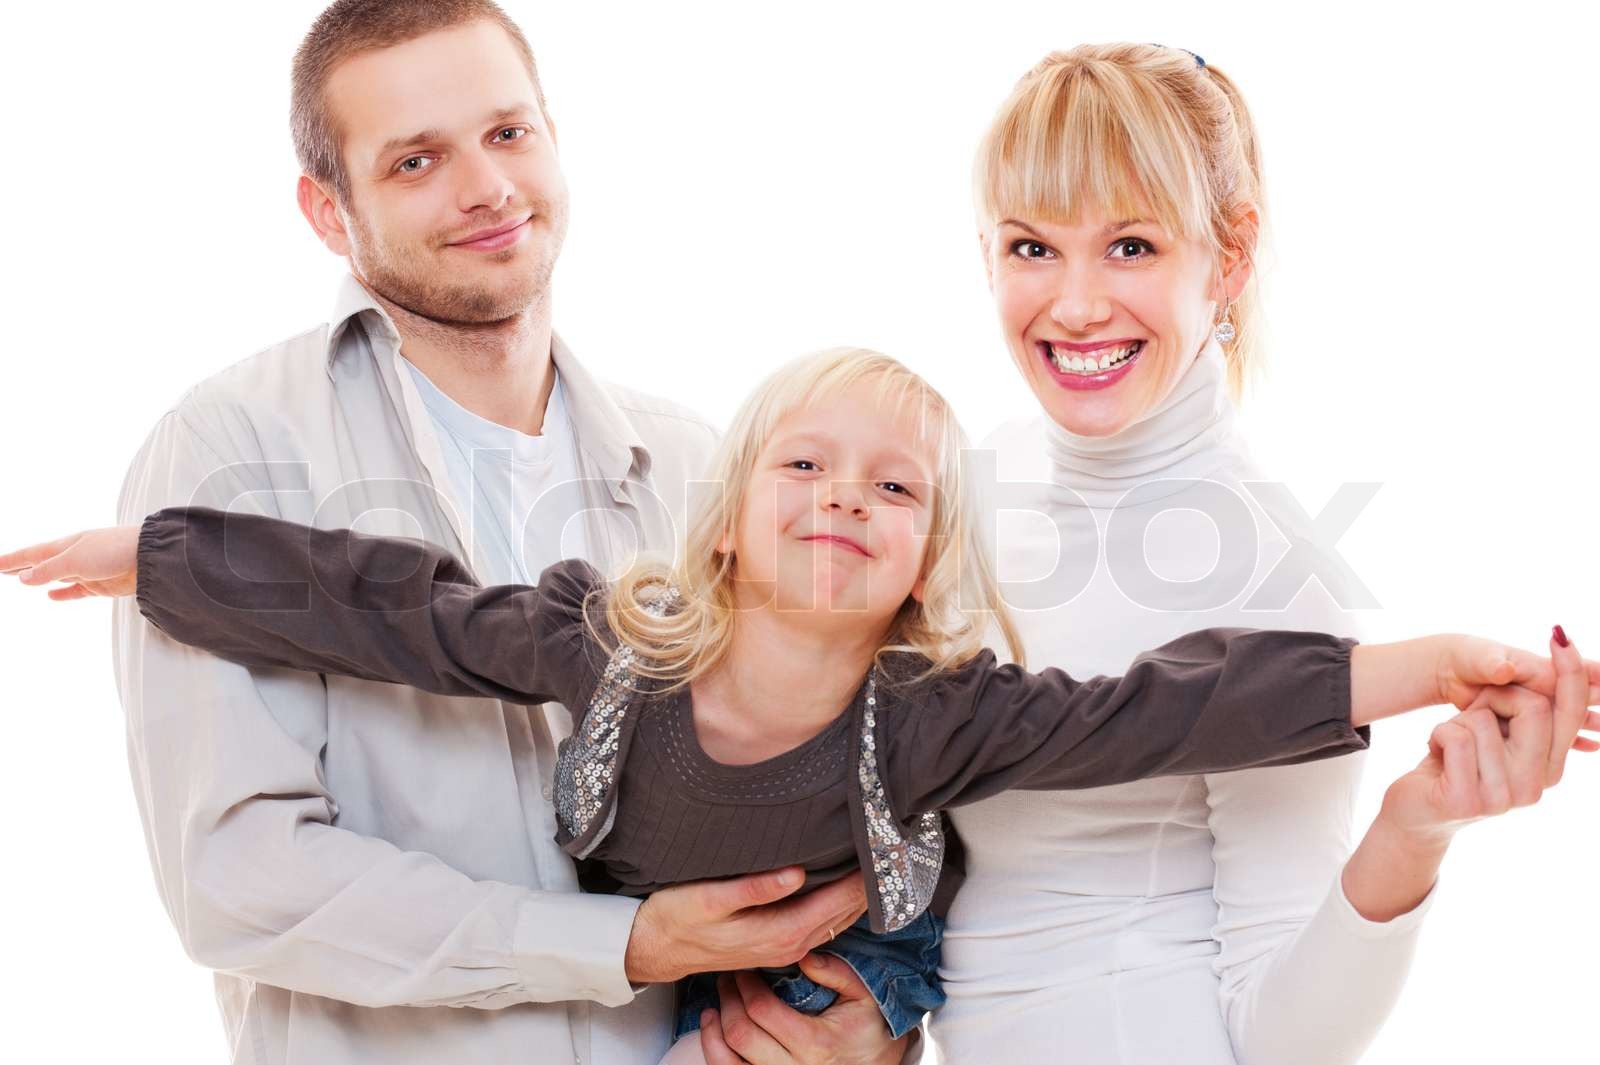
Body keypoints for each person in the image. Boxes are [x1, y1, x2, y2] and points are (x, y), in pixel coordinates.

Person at [6, 349, 1592, 1065]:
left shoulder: (938, 714)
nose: (844, 497)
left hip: (854, 956)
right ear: (723, 520)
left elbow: (1165, 708)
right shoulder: (611, 643)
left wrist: (1434, 661)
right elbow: (394, 605)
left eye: (894, 488)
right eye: (808, 465)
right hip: (650, 958)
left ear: (925, 563)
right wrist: (160, 554)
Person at [21, 1, 900, 1062]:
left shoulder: (696, 465)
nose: (486, 187)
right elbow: (239, 880)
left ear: (553, 138)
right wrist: (619, 945)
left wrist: (869, 1024)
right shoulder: (233, 452)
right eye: (416, 161)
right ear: (328, 212)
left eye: (507, 133)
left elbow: (818, 793)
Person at [911, 43, 1600, 1063]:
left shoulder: (1270, 574)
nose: (1076, 303)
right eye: (1032, 246)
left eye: (1130, 246)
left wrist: (1411, 832)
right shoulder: (968, 483)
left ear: (1229, 256)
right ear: (985, 254)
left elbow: (1283, 1042)